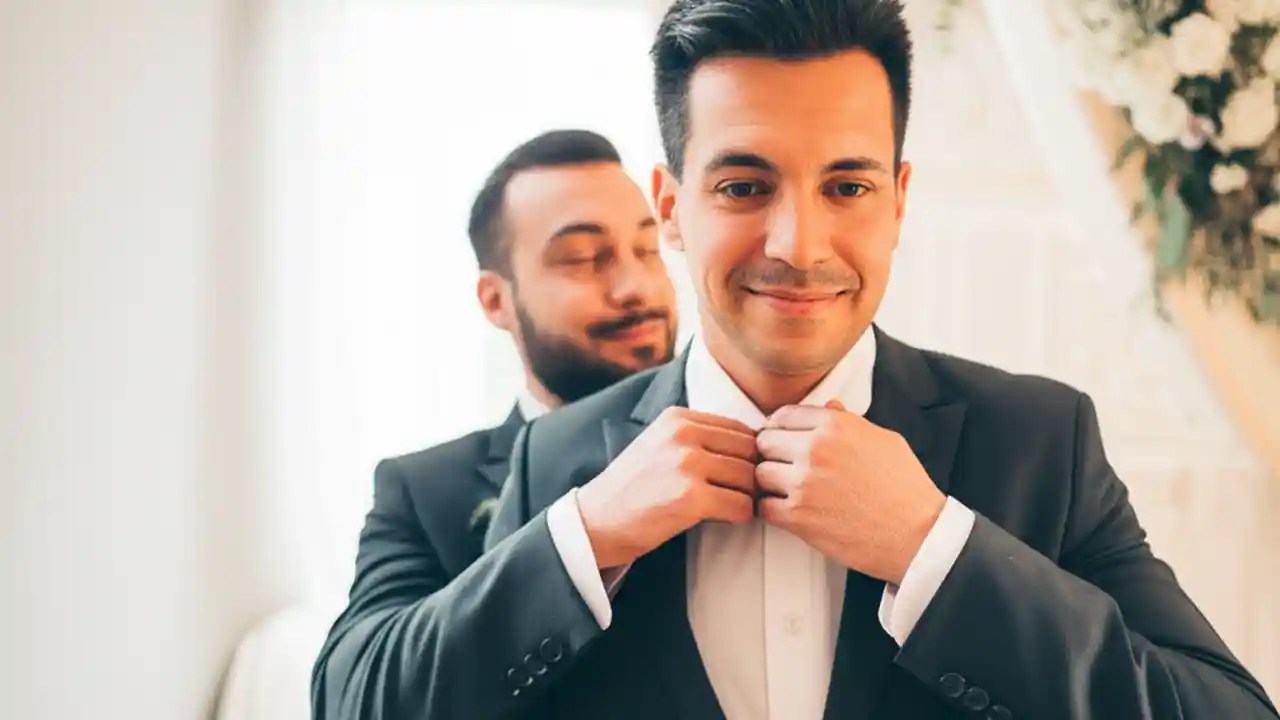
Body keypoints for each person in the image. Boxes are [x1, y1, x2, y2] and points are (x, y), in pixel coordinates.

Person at [481, 1, 1280, 719]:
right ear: (670, 208)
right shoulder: (555, 463)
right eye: (742, 187)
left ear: (898, 200)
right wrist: (582, 544)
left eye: (847, 188)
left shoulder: (1040, 441)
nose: (799, 247)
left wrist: (934, 551)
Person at [310, 129, 678, 720]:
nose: (634, 287)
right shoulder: (425, 488)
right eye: (585, 258)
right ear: (495, 301)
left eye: (647, 249)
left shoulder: (757, 434)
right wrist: (581, 541)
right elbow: (352, 702)